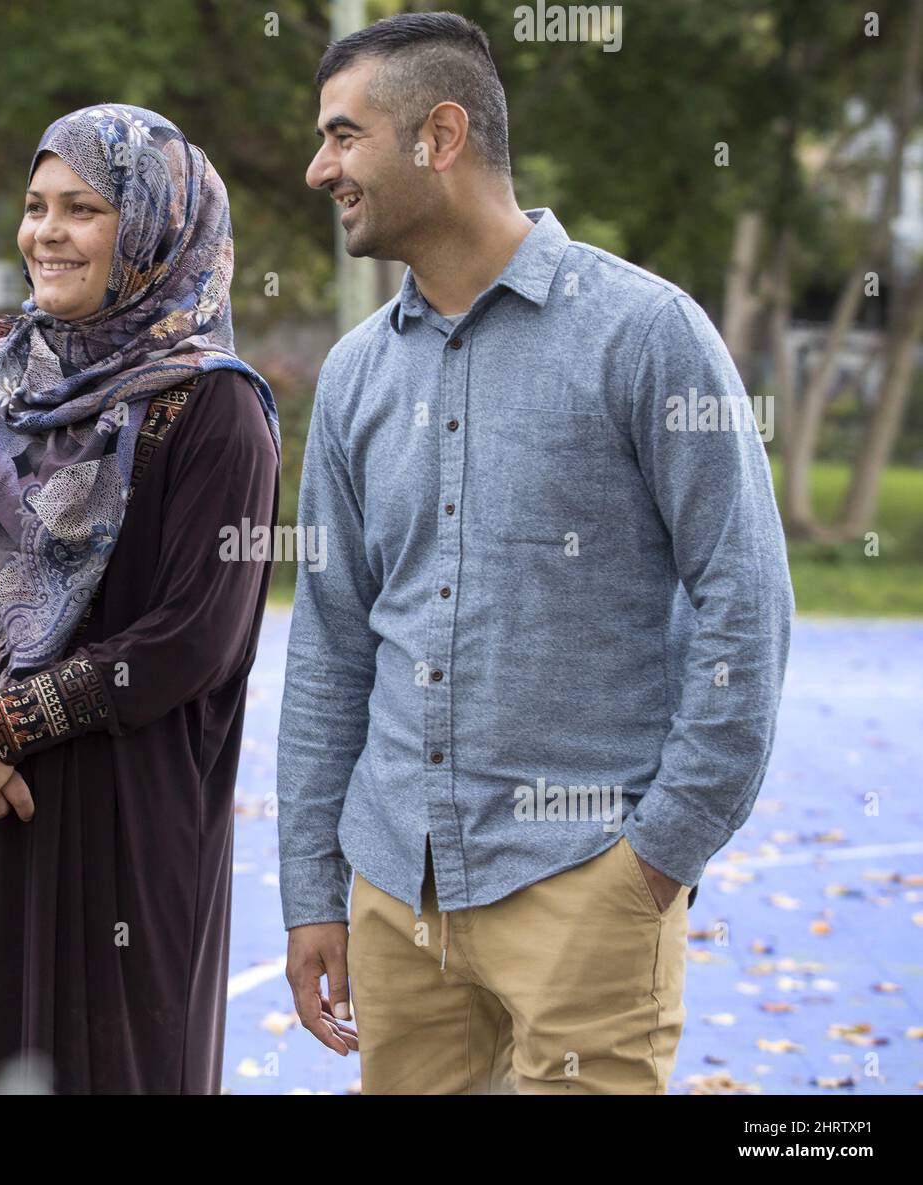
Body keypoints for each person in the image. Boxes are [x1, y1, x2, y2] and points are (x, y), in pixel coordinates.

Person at [278, 12, 794, 1094]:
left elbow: (743, 601)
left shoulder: (647, 335)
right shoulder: (357, 375)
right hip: (393, 895)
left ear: (441, 136)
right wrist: (315, 890)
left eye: (342, 135)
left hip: (585, 886)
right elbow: (328, 643)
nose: (319, 168)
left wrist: (655, 860)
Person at [0, 102, 280, 1094]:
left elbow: (193, 635)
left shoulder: (213, 408)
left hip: (116, 819)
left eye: (82, 208)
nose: (46, 232)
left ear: (152, 228)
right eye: (36, 204)